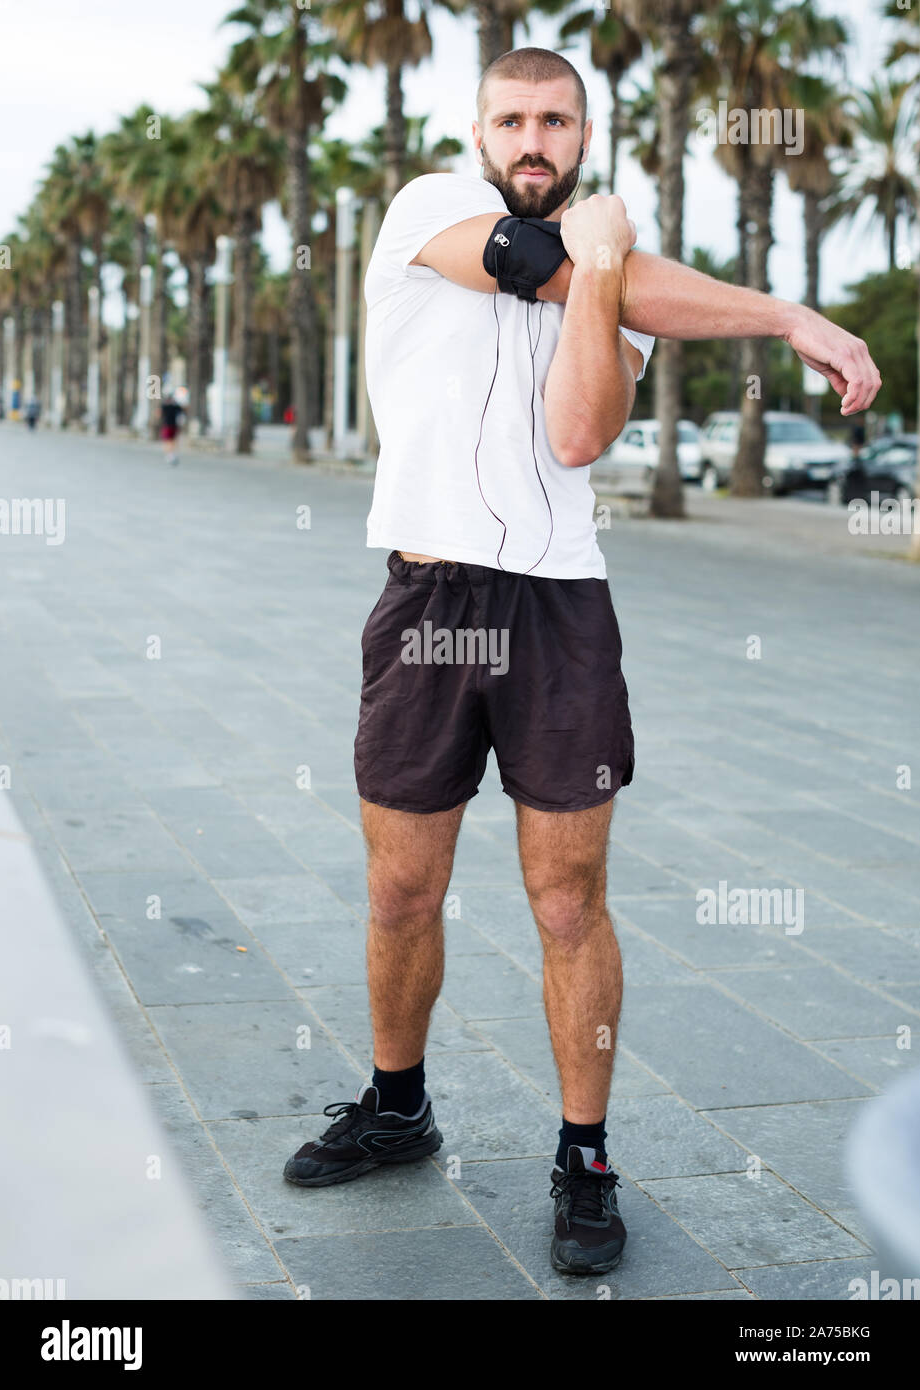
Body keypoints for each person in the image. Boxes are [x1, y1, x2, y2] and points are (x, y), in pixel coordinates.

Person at [282, 47, 882, 1277]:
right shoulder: (426, 210)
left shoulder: (610, 283)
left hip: (560, 609)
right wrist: (755, 305)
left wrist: (613, 273)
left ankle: (583, 1156)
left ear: (585, 130)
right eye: (512, 118)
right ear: (479, 128)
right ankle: (397, 1107)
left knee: (567, 901)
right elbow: (521, 259)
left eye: (554, 119)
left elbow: (575, 430)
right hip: (427, 597)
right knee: (401, 887)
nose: (532, 137)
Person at [159, 392, 184, 464]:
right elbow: (182, 412)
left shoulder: (164, 406)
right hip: (174, 425)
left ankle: (169, 455)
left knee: (167, 441)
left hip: (167, 425)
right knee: (172, 441)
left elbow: (159, 414)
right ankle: (171, 454)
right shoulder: (176, 406)